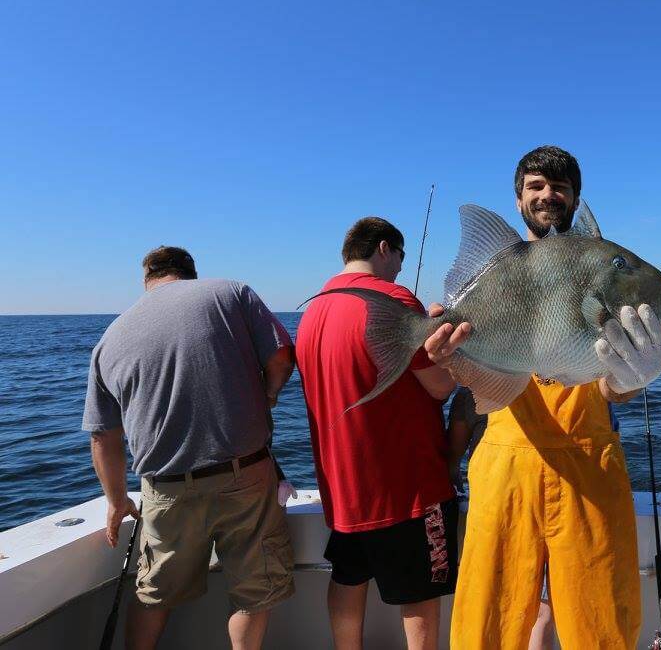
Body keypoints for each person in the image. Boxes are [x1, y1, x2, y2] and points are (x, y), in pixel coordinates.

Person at [425, 145, 661, 648]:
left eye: (559, 187)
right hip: (504, 463)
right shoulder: (496, 274)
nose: (547, 195)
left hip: (589, 462)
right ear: (518, 200)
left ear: (575, 198)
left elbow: (608, 388)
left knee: (600, 618)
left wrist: (631, 379)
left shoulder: (603, 267)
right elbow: (454, 386)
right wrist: (446, 357)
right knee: (485, 620)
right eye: (535, 186)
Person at [83, 246, 296, 650]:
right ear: (190, 274)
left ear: (148, 280)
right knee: (252, 594)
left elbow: (102, 437)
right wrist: (268, 396)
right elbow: (283, 357)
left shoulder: (109, 338)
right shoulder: (231, 293)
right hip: (245, 476)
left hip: (164, 489)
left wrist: (115, 501)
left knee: (154, 596)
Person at [295, 218, 459, 650]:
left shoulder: (313, 311)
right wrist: (450, 349)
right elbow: (440, 386)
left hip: (343, 489)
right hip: (408, 488)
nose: (401, 270)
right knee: (420, 594)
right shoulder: (395, 299)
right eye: (400, 258)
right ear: (384, 248)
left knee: (348, 577)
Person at [446, 387, 556, 650]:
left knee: (490, 603)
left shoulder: (469, 394)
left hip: (491, 510)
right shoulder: (558, 387)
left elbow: (452, 456)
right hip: (549, 503)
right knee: (541, 611)